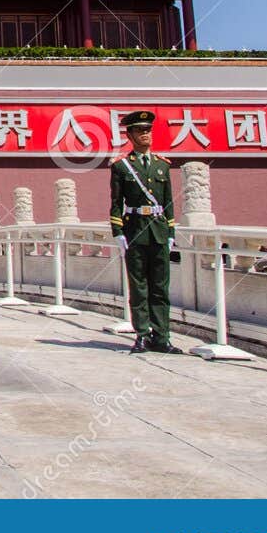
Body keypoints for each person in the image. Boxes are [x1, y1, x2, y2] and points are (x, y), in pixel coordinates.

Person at [109, 109, 182, 354]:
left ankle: (161, 337)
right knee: (139, 286)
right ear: (130, 135)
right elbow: (116, 202)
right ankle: (142, 334)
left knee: (160, 287)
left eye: (148, 130)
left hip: (159, 231)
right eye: (140, 131)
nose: (146, 134)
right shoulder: (122, 167)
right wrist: (118, 231)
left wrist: (170, 232)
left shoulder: (162, 165)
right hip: (135, 230)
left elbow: (168, 202)